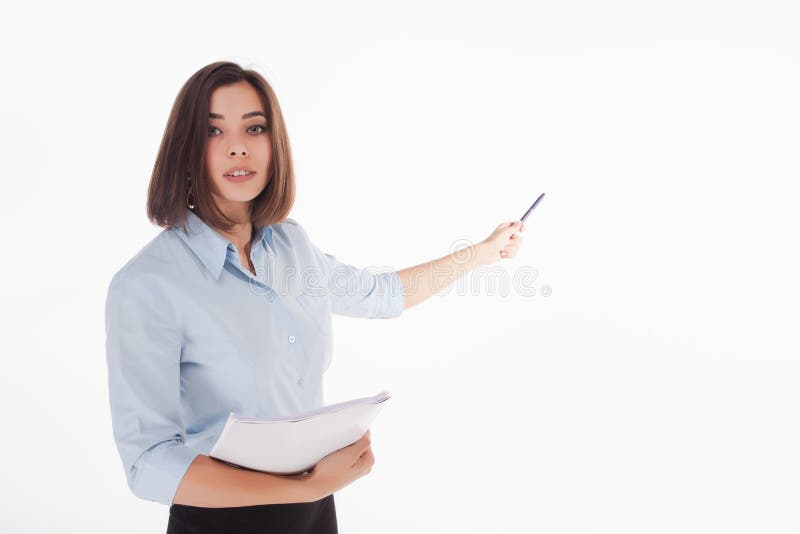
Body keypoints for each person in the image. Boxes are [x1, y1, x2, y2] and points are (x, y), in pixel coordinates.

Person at [104, 60, 526, 534]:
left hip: (314, 514)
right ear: (184, 148)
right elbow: (148, 463)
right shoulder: (147, 286)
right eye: (212, 131)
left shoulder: (291, 246)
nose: (238, 146)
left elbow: (382, 294)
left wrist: (482, 254)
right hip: (222, 523)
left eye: (254, 127)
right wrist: (300, 487)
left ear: (274, 142)